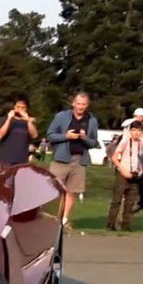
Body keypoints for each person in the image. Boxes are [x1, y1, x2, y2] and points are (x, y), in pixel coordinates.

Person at [45, 92, 100, 230]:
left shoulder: (92, 120)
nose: (80, 107)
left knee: (72, 191)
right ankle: (51, 219)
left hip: (79, 159)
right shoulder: (61, 116)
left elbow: (94, 142)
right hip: (61, 159)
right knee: (55, 190)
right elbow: (50, 135)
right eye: (78, 103)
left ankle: (64, 219)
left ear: (87, 105)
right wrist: (66, 136)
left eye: (83, 104)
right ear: (73, 103)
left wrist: (84, 138)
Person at [106, 122, 143, 231]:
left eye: (139, 131)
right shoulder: (125, 142)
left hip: (135, 174)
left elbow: (141, 159)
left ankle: (126, 224)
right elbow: (114, 158)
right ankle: (111, 224)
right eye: (134, 130)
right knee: (117, 200)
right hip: (123, 173)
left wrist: (142, 170)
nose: (136, 133)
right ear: (130, 131)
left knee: (130, 202)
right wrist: (122, 169)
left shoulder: (141, 143)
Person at [0, 96, 38, 166]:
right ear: (14, 107)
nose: (20, 109)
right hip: (5, 160)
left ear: (26, 109)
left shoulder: (29, 122)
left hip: (21, 160)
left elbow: (34, 135)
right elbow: (0, 135)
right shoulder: (6, 119)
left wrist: (28, 120)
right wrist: (9, 119)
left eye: (23, 107)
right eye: (18, 107)